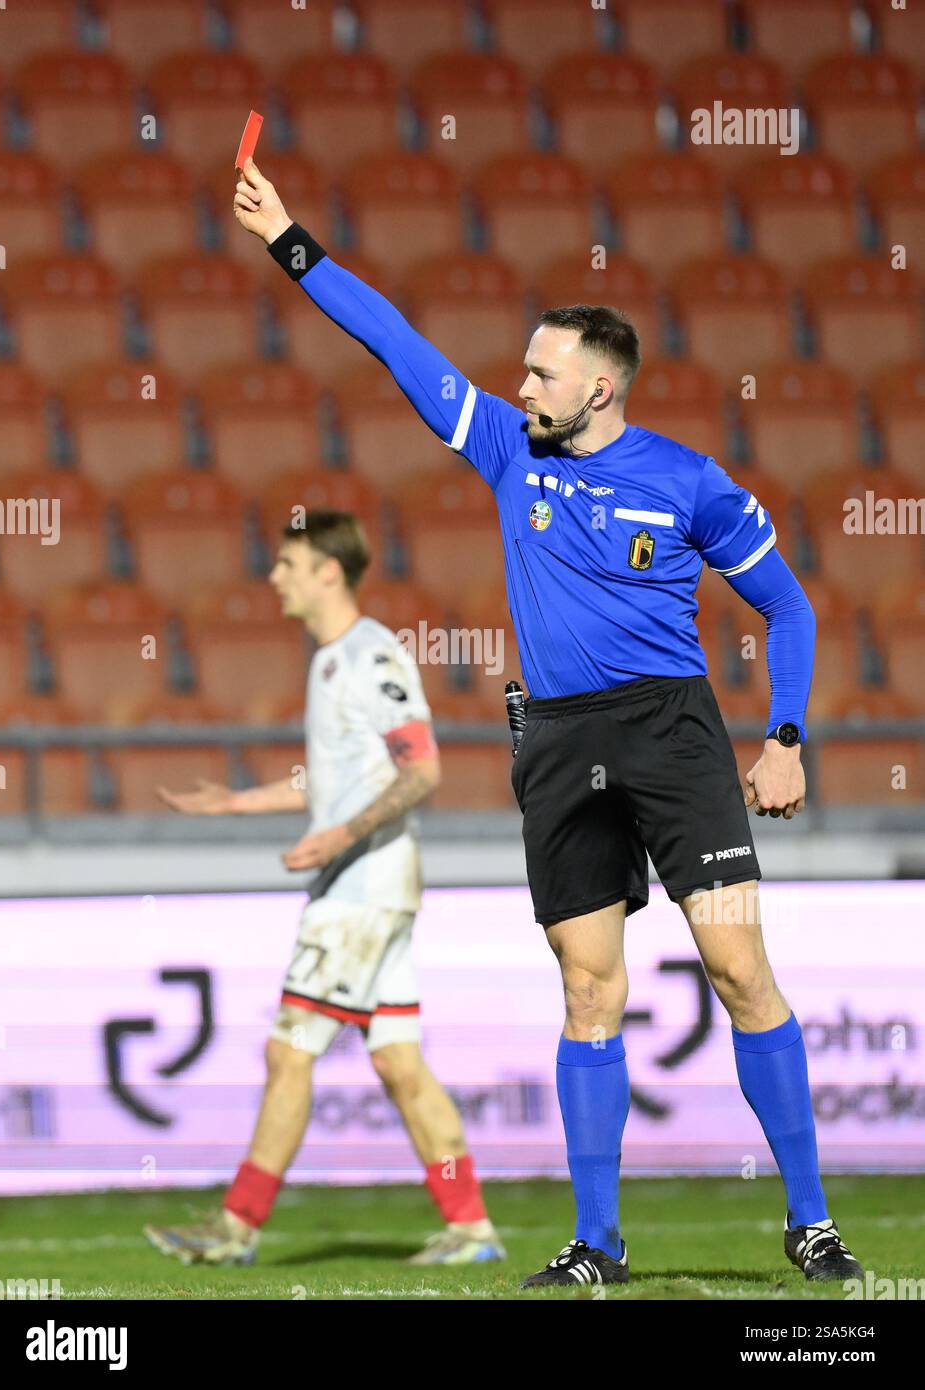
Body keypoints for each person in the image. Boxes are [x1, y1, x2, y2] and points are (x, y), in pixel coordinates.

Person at [229, 157, 867, 1291]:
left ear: (600, 389)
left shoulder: (688, 483)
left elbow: (788, 604)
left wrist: (785, 736)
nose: (518, 384)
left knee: (736, 969)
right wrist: (290, 241)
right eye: (522, 367)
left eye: (541, 371)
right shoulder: (502, 449)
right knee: (588, 990)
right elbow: (396, 344)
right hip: (561, 744)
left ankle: (810, 1223)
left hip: (674, 736)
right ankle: (597, 1243)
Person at [144, 511, 504, 1267]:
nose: (273, 576)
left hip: (360, 889)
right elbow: (338, 782)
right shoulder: (331, 660)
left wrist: (342, 837)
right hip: (373, 882)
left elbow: (422, 769)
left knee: (289, 1051)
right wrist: (238, 801)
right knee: (398, 1063)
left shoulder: (370, 656)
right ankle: (470, 1228)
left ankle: (236, 1226)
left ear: (327, 572)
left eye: (286, 563)